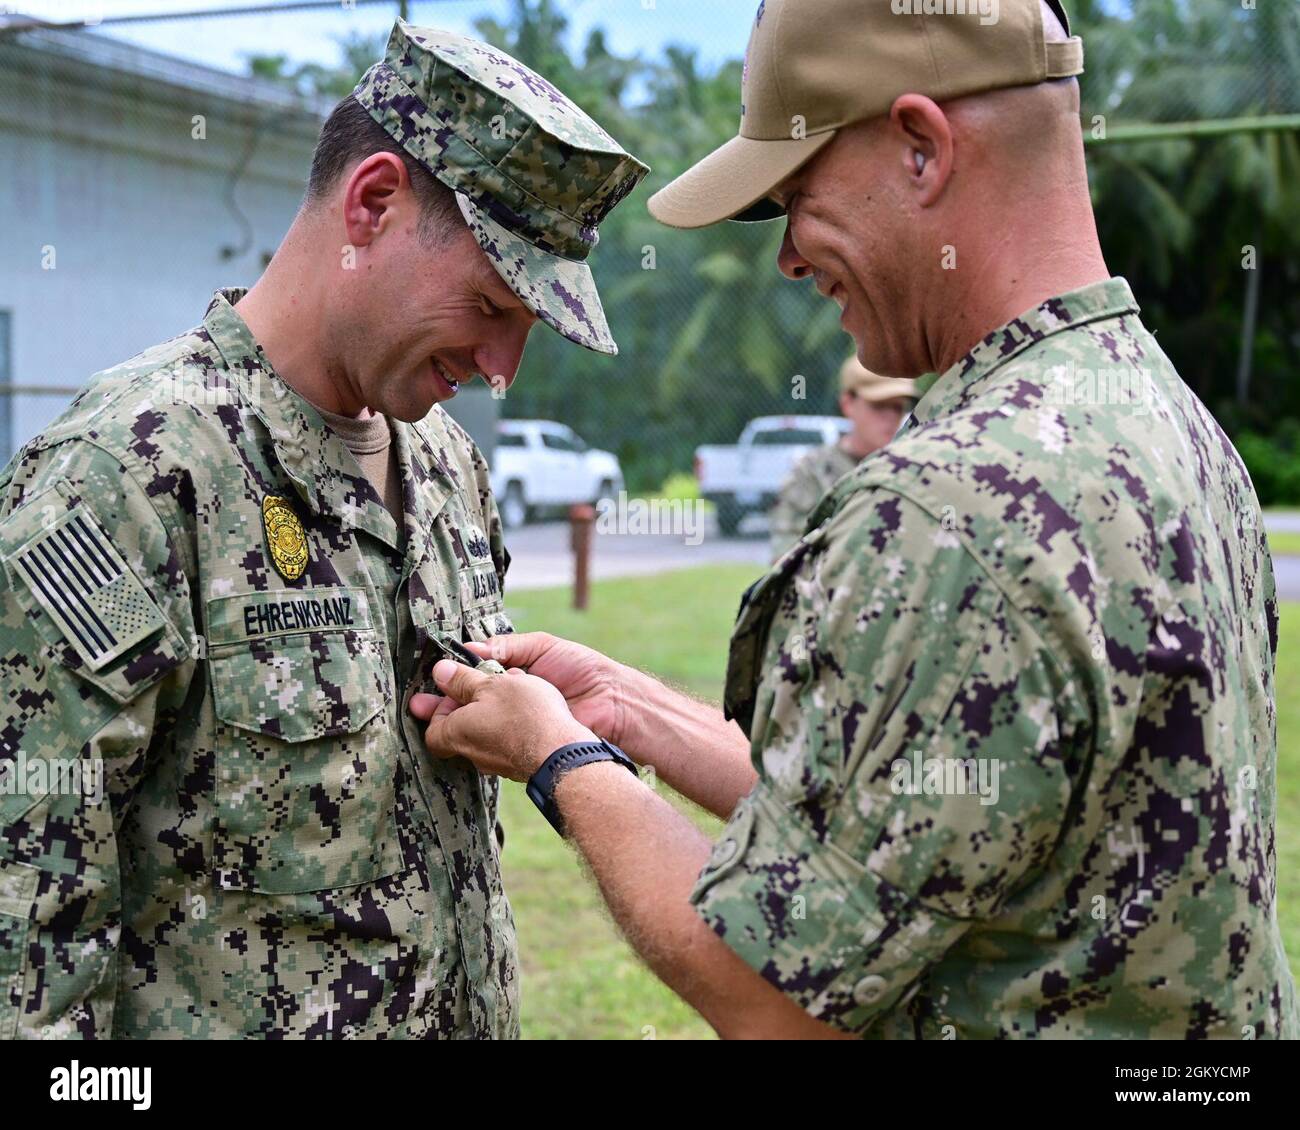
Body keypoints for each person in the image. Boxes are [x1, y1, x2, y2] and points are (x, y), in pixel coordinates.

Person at [412, 0, 1297, 1039]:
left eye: (798, 194)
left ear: (920, 147)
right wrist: (629, 708)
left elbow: (774, 996)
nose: (789, 254)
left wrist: (563, 762)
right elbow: (917, 817)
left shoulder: (946, 509)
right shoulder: (1157, 417)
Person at [0, 20, 644, 1039]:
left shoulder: (448, 474)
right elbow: (26, 930)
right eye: (490, 303)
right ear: (373, 202)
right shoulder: (124, 476)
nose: (501, 367)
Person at [769, 357, 915, 559]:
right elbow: (786, 557)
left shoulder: (914, 469)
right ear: (848, 404)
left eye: (898, 407)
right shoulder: (811, 473)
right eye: (879, 406)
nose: (890, 417)